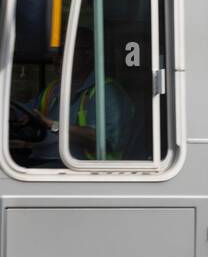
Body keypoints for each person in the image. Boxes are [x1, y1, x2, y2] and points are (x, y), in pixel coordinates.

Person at [14, 29, 134, 166]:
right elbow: (25, 111)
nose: (57, 58)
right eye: (56, 52)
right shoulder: (53, 88)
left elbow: (101, 139)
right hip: (42, 160)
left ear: (87, 55)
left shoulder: (108, 92)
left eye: (65, 50)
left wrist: (53, 125)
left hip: (82, 169)